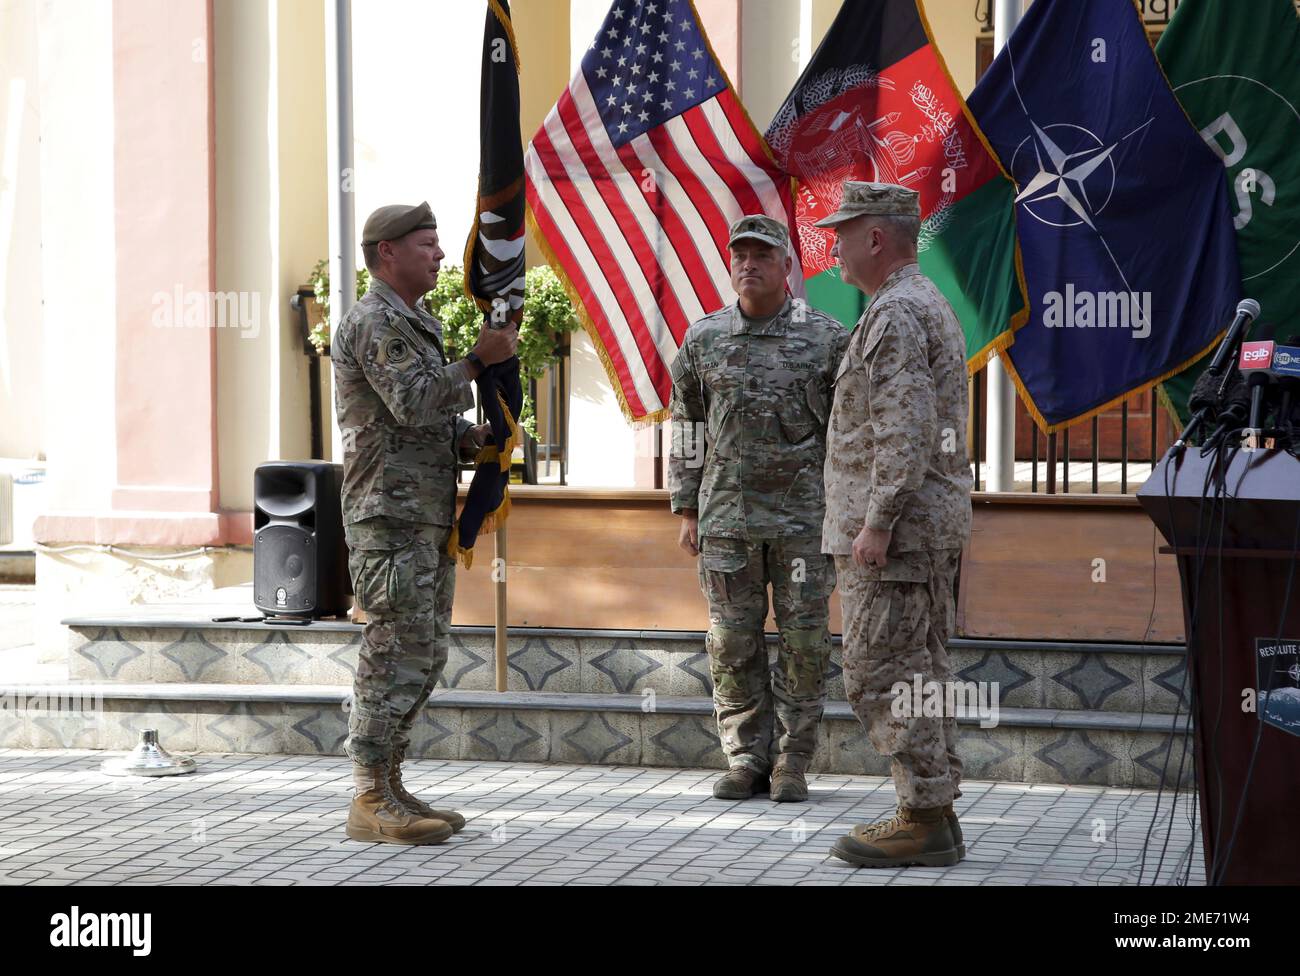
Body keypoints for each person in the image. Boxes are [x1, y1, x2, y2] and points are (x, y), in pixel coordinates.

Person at [332, 201, 517, 845]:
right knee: (391, 652)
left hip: (423, 512)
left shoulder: (415, 322)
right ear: (388, 252)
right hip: (388, 515)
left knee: (425, 651)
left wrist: (473, 438)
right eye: (428, 244)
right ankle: (366, 794)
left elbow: (426, 418)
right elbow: (411, 401)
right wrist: (476, 361)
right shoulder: (375, 319)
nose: (440, 256)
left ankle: (390, 781)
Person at [814, 181, 973, 868]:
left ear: (875, 238)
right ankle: (929, 808)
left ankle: (924, 815)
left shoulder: (897, 312)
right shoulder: (911, 302)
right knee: (919, 669)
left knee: (880, 670)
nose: (834, 244)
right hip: (916, 532)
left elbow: (903, 430)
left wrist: (876, 523)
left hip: (897, 539)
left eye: (843, 232)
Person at [668, 214, 849, 803]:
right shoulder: (704, 339)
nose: (749, 264)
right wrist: (687, 506)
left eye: (763, 255)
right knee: (731, 642)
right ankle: (746, 758)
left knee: (805, 641)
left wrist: (847, 511)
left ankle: (792, 762)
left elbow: (851, 431)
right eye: (740, 254)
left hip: (804, 523)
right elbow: (688, 424)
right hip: (726, 521)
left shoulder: (826, 338)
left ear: (787, 266)